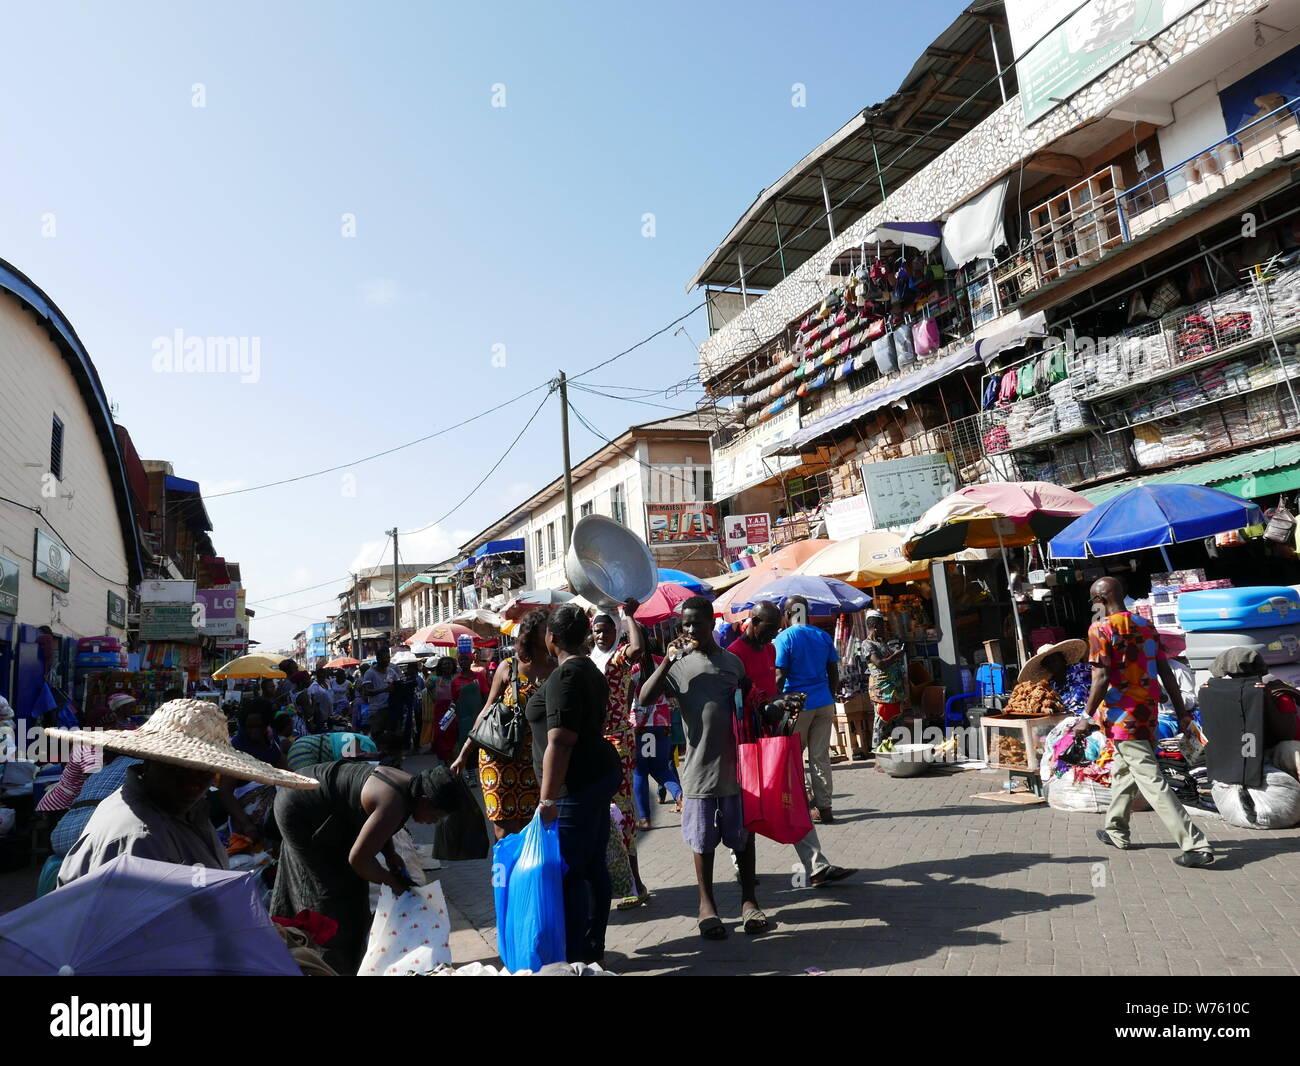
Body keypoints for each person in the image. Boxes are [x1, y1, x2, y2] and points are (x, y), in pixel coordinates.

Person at [50, 699, 317, 888]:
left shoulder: (183, 810)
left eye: (205, 773)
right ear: (150, 761)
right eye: (180, 771)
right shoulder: (140, 839)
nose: (194, 785)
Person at [639, 595, 769, 940]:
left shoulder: (732, 662)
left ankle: (748, 901)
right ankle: (706, 905)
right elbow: (644, 698)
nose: (691, 629)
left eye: (697, 622)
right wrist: (667, 661)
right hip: (697, 770)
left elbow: (748, 702)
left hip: (737, 768)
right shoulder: (679, 665)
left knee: (742, 838)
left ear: (712, 623)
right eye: (686, 624)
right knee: (702, 842)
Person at [272, 762, 458, 974]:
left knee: (354, 889)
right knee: (330, 892)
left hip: (318, 803)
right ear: (425, 801)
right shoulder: (395, 801)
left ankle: (350, 960)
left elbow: (378, 822)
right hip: (301, 809)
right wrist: (391, 881)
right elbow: (358, 860)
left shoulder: (411, 789)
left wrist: (390, 856)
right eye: (435, 817)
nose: (432, 822)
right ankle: (327, 965)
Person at [1084, 576, 1216, 867]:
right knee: (1123, 772)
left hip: (1122, 716)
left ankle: (1195, 844)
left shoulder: (1100, 628)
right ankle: (1115, 830)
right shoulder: (1146, 626)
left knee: (1151, 780)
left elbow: (1101, 677)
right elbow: (1167, 672)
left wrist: (1084, 716)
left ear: (1099, 600)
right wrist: (1181, 712)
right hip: (1148, 713)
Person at [727, 602, 853, 886]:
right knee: (747, 804)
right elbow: (738, 699)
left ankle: (817, 866)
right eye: (768, 629)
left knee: (794, 796)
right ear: (753, 622)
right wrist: (771, 703)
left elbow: (770, 691)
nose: (772, 635)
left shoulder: (770, 649)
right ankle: (741, 865)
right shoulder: (734, 654)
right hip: (747, 740)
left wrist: (783, 702)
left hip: (773, 734)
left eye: (776, 629)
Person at [524, 604, 622, 964]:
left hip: (575, 785)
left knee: (570, 872)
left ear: (551, 637)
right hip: (595, 775)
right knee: (592, 866)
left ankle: (577, 954)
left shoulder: (567, 676)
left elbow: (561, 740)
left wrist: (547, 799)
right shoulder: (586, 669)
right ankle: (592, 948)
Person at [451, 609, 553, 838]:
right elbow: (486, 710)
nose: (550, 633)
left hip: (533, 760)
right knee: (503, 830)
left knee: (530, 827)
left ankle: (523, 875)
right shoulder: (508, 666)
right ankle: (504, 874)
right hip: (497, 757)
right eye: (545, 628)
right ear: (531, 634)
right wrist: (464, 754)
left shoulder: (555, 670)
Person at [590, 605, 649, 907]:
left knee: (622, 811)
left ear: (616, 632)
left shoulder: (618, 657)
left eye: (606, 630)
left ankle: (633, 883)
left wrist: (628, 615)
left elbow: (637, 647)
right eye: (597, 630)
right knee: (606, 812)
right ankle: (629, 882)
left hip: (619, 742)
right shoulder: (590, 660)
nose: (601, 635)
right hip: (596, 742)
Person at [773, 595, 840, 824]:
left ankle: (808, 803)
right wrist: (829, 696)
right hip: (823, 701)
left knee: (792, 757)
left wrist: (775, 700)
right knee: (820, 757)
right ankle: (826, 807)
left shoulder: (784, 638)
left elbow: (780, 674)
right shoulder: (822, 636)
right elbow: (833, 671)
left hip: (797, 705)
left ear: (788, 614)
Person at [1200, 647, 1300, 783]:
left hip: (1274, 751)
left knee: (1290, 748)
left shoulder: (1278, 695)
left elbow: (1288, 734)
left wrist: (1266, 700)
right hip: (1240, 755)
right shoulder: (1217, 698)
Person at [36, 696, 136, 821]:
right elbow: (95, 779)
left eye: (115, 725)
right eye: (110, 726)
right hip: (62, 807)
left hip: (77, 802)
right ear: (99, 727)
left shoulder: (102, 746)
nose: (116, 730)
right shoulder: (87, 747)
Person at [630, 645, 682, 829]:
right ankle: (680, 796)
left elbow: (629, 696)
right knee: (660, 769)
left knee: (640, 771)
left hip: (641, 726)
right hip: (663, 724)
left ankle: (644, 818)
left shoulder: (634, 667)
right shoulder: (662, 662)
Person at [864, 611, 907, 750]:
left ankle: (897, 752)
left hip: (894, 691)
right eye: (883, 626)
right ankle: (879, 756)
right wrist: (896, 655)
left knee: (896, 722)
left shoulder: (882, 642)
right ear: (875, 626)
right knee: (881, 722)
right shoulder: (867, 645)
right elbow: (880, 663)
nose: (885, 629)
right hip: (882, 692)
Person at [1015, 640, 1091, 715]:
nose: (1051, 664)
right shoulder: (1051, 685)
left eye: (1054, 659)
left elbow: (1096, 685)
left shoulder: (1080, 670)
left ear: (1062, 659)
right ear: (1045, 667)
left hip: (1090, 716)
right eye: (1047, 662)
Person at [451, 651, 490, 781]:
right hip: (464, 719)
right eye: (461, 660)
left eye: (465, 660)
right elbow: (454, 700)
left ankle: (485, 772)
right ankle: (471, 774)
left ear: (471, 661)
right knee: (466, 745)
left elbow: (485, 695)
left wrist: (486, 713)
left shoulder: (479, 676)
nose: (463, 662)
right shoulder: (455, 680)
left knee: (483, 745)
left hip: (480, 715)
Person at [426, 656, 457, 758]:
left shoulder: (456, 678)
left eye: (449, 663)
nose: (447, 666)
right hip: (440, 711)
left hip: (453, 710)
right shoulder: (435, 679)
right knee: (440, 735)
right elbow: (427, 688)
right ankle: (443, 761)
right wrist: (434, 699)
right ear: (440, 667)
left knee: (452, 734)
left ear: (453, 666)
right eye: (444, 664)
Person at [361, 647, 394, 739]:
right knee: (377, 737)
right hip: (376, 711)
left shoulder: (391, 672)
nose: (388, 660)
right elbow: (366, 691)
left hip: (389, 709)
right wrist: (384, 690)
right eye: (385, 658)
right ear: (378, 659)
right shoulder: (370, 673)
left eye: (388, 657)